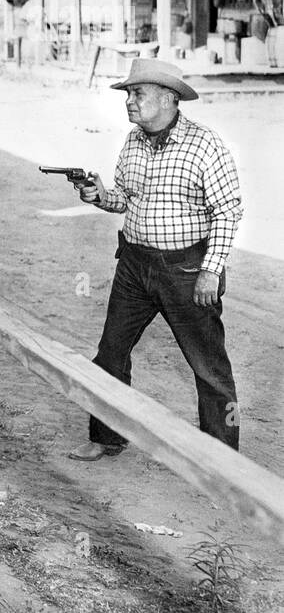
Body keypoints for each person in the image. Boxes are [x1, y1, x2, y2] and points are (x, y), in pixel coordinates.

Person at [69, 58, 243, 461]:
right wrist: (98, 195)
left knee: (209, 368)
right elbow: (126, 199)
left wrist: (210, 271)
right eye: (128, 93)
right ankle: (106, 437)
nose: (129, 101)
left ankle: (223, 462)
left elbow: (228, 211)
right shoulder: (133, 140)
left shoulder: (205, 145)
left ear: (168, 98)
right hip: (133, 266)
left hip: (187, 270)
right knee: (110, 353)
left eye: (137, 93)